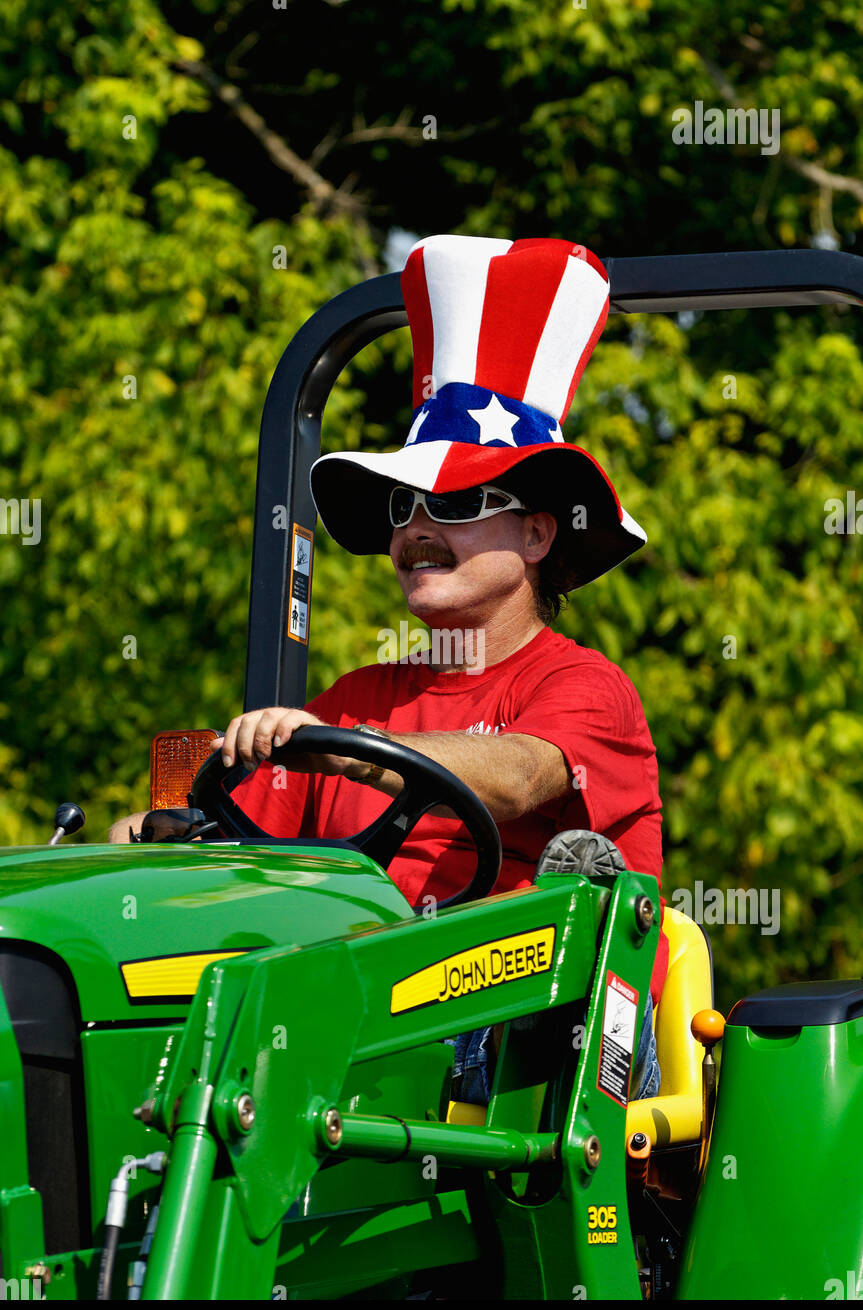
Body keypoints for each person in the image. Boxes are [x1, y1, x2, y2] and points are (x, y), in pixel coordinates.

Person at [110, 234, 665, 1101]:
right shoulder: (358, 698)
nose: (413, 529)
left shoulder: (581, 689)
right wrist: (142, 846)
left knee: (494, 984)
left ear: (536, 532)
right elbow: (216, 832)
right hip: (355, 1018)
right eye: (403, 505)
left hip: (520, 1032)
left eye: (453, 502)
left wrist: (348, 750)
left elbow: (519, 776)